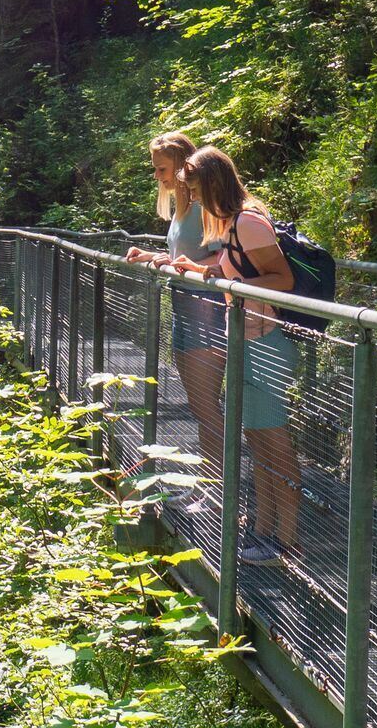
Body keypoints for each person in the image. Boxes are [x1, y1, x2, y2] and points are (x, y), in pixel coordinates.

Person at [168, 145, 303, 567]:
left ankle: (287, 541)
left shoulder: (248, 222)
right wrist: (203, 270)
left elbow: (283, 278)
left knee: (274, 443)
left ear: (212, 183)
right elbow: (235, 270)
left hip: (265, 344)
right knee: (259, 442)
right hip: (245, 340)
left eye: (195, 186)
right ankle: (263, 531)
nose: (193, 196)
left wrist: (240, 290)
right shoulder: (230, 224)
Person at [123, 133, 230, 494]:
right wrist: (156, 258)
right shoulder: (184, 210)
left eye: (162, 169)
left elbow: (227, 259)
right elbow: (188, 258)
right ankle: (209, 487)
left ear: (183, 165)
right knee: (199, 405)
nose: (157, 176)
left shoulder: (204, 207)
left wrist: (192, 268)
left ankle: (217, 492)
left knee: (205, 405)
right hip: (186, 308)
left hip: (208, 311)